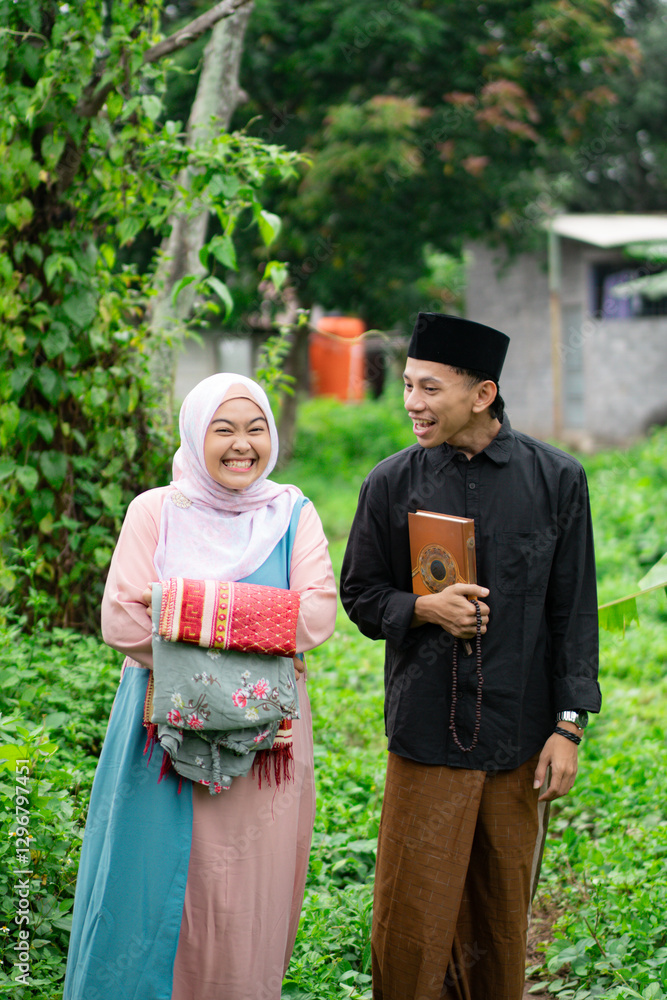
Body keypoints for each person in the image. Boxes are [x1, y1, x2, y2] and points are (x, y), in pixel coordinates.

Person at [340, 313, 600, 1000]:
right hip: (426, 734)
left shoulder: (556, 481)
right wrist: (424, 609)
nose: (411, 403)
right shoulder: (390, 484)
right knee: (409, 925)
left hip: (518, 741)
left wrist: (568, 725)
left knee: (499, 921)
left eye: (429, 388)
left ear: (481, 394)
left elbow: (572, 611)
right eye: (405, 385)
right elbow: (360, 595)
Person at [63, 373, 337, 1000]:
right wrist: (265, 629)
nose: (243, 445)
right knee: (148, 887)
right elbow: (119, 618)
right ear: (194, 434)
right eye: (223, 429)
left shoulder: (292, 512)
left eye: (256, 428)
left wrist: (177, 611)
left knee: (243, 896)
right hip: (160, 734)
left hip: (264, 740)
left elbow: (317, 617)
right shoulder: (156, 510)